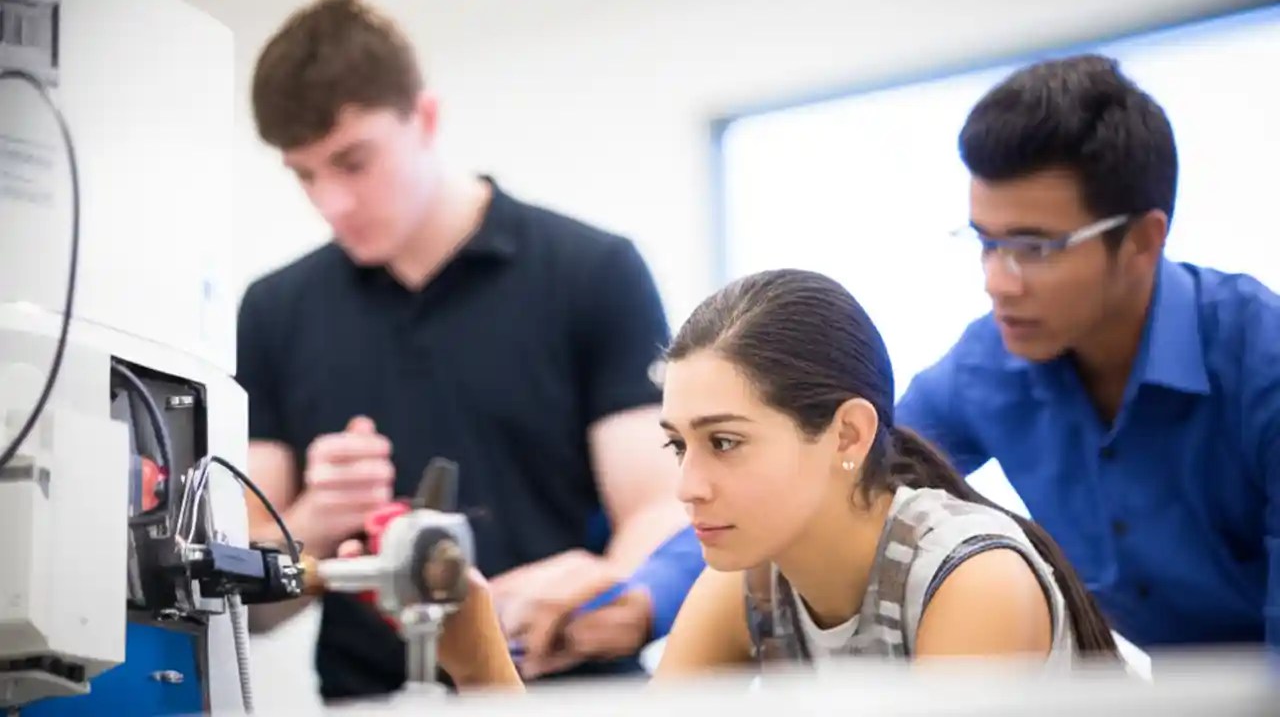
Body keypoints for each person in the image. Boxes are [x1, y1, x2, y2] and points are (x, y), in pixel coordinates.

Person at [234, 0, 691, 699]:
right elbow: (253, 608)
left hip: (571, 695)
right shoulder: (274, 311)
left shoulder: (593, 271)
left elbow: (661, 510)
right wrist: (311, 522)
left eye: (353, 162)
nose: (331, 203)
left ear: (426, 118)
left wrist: (606, 598)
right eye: (304, 174)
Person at [404, 269, 1122, 691]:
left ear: (848, 434)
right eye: (677, 444)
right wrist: (481, 665)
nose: (688, 484)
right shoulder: (751, 577)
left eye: (724, 442)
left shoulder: (973, 579)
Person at [896, 54, 1280, 654]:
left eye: (1034, 246)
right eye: (986, 242)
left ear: (1143, 241)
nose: (998, 281)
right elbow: (847, 480)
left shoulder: (1263, 361)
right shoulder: (984, 366)